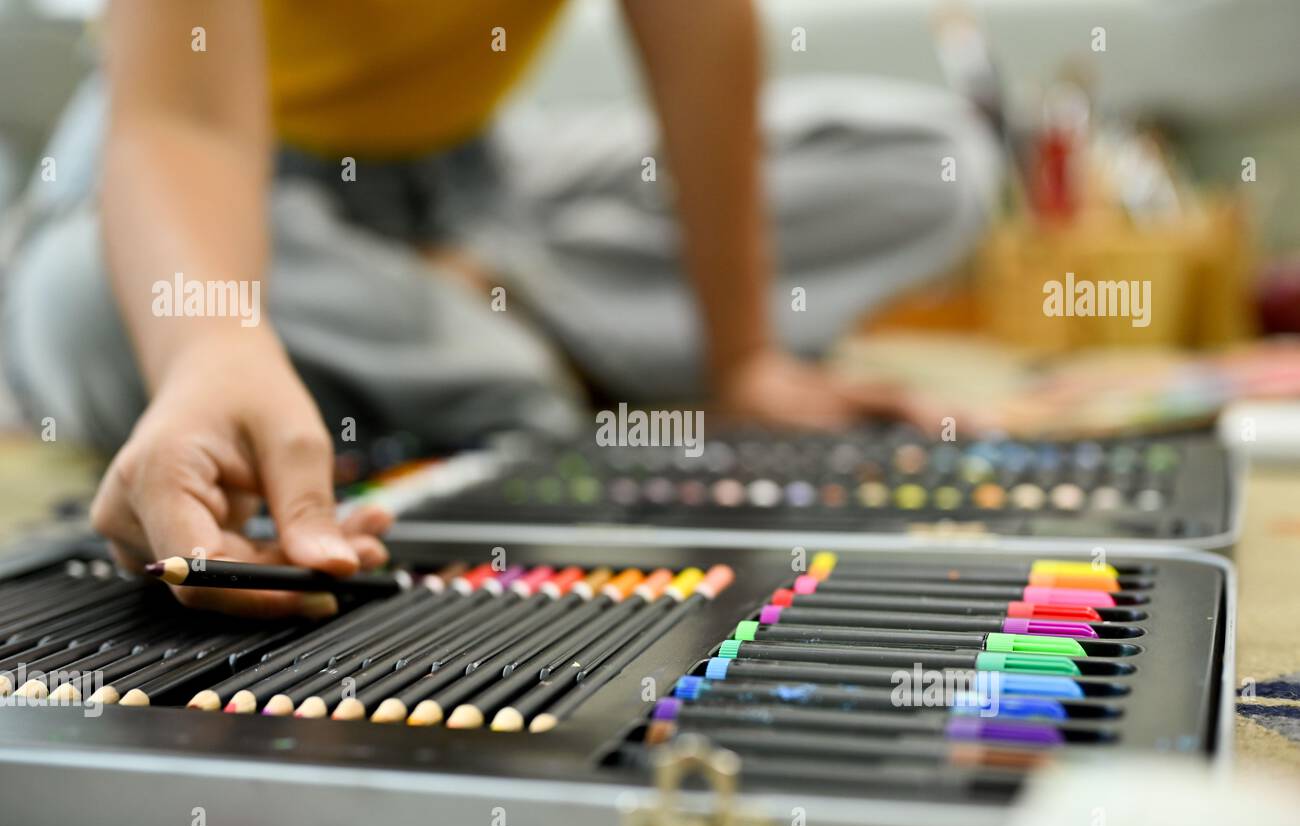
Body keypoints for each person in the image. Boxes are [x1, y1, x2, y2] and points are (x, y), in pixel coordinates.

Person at [2, 0, 995, 616]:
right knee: (90, 303)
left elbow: (693, 23)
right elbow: (184, 122)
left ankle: (458, 323)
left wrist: (744, 362)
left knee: (934, 166)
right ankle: (492, 337)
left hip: (480, 182)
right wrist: (213, 345)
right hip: (212, 190)